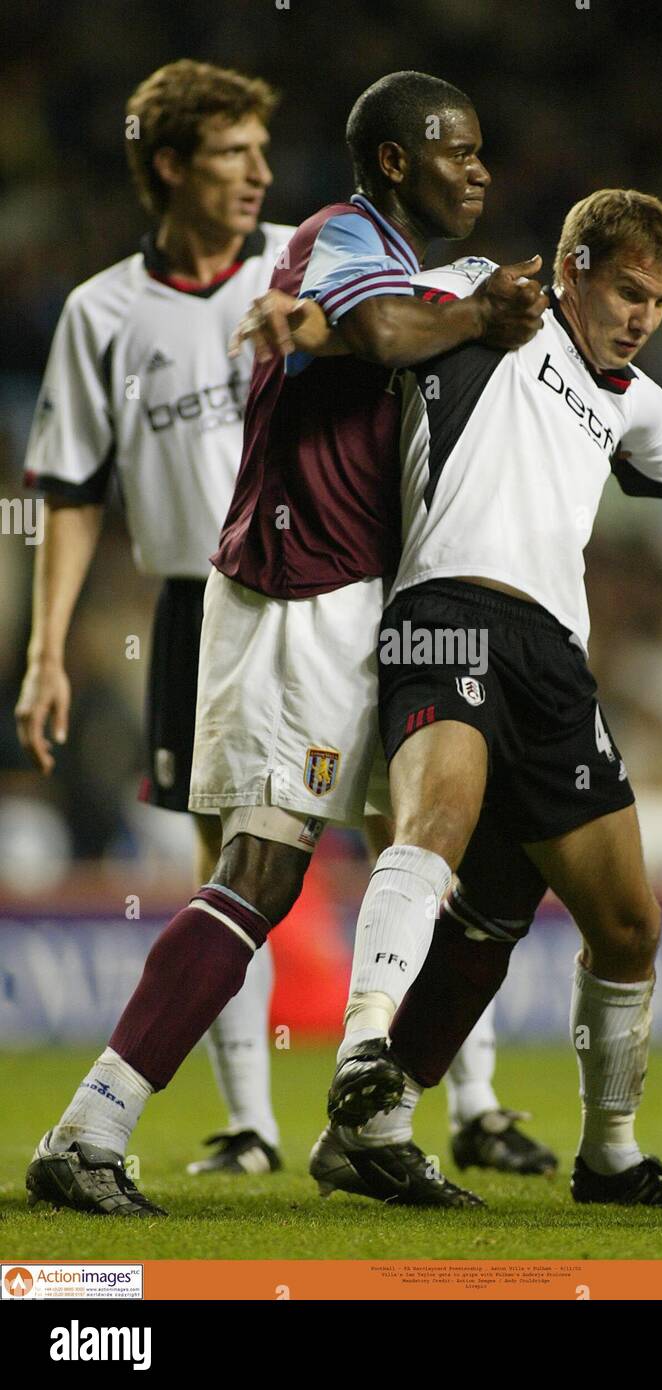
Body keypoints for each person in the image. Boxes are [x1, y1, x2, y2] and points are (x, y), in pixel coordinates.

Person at [24, 70, 548, 1217]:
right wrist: (474, 321)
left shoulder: (415, 265)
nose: (480, 169)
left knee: (464, 849)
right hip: (294, 592)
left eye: (483, 149)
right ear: (397, 160)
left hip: (380, 604)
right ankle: (90, 1127)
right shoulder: (340, 236)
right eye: (455, 149)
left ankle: (381, 1119)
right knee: (260, 869)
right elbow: (368, 328)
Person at [310, 189, 662, 1208]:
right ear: (576, 266)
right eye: (629, 291)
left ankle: (606, 1155)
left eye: (661, 302)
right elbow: (364, 323)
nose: (643, 318)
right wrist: (296, 316)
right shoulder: (485, 297)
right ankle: (361, 1046)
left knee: (622, 927)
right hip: (445, 609)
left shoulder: (634, 398)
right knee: (434, 823)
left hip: (553, 661)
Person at [16, 59, 295, 1178]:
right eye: (234, 153)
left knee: (404, 824)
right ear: (169, 164)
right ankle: (251, 1124)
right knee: (224, 862)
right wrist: (45, 651)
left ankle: (465, 1108)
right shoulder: (101, 312)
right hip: (198, 602)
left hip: (329, 587)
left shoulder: (298, 264)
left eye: (260, 154)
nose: (259, 174)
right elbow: (71, 491)